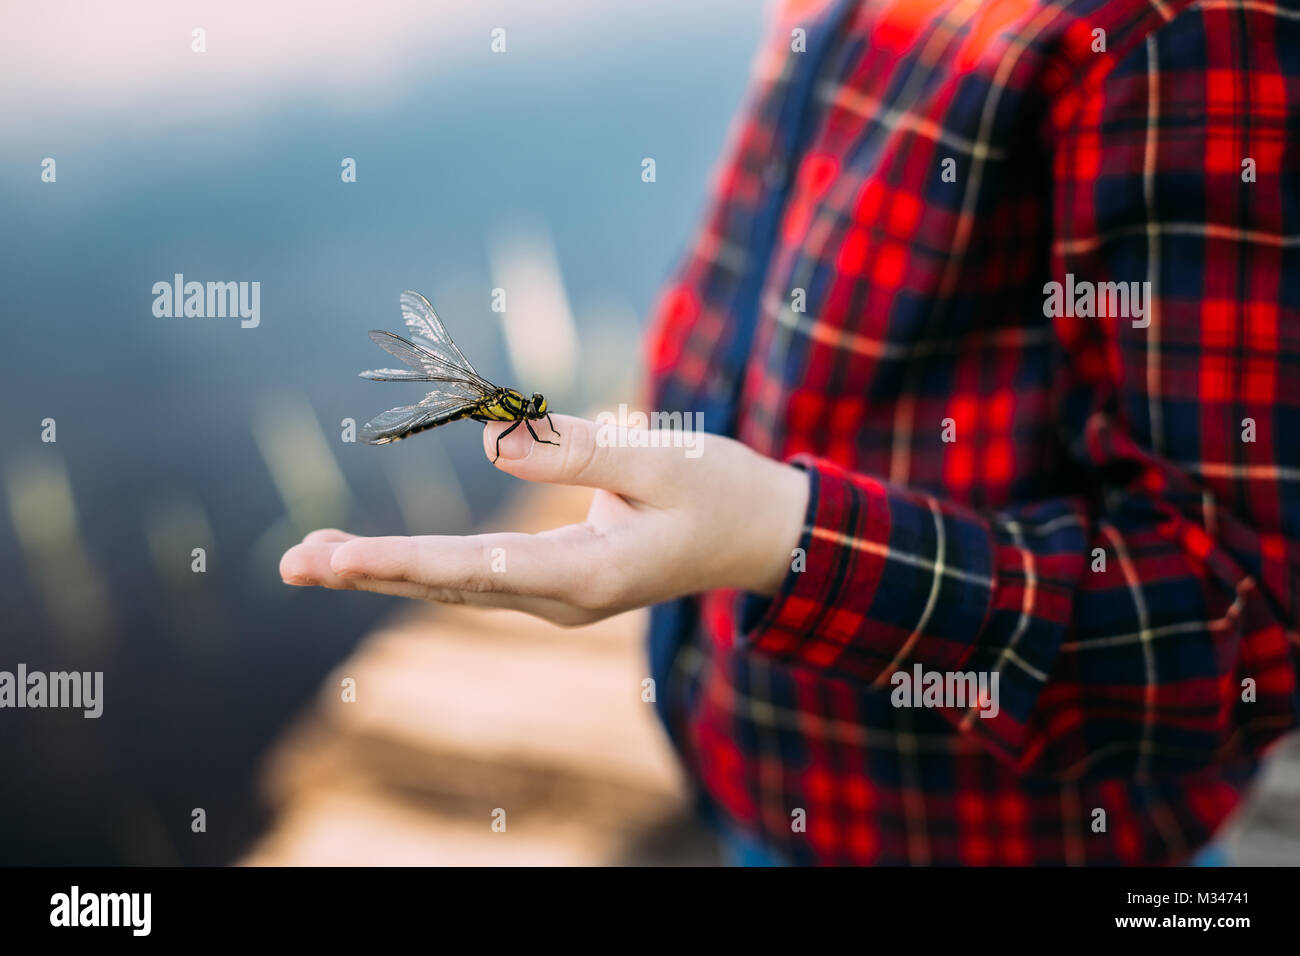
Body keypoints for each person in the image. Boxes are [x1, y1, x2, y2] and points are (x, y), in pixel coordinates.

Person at [281, 0, 1300, 864]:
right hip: (757, 766)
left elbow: (1247, 618)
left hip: (987, 831)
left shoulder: (1185, 37)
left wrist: (782, 536)